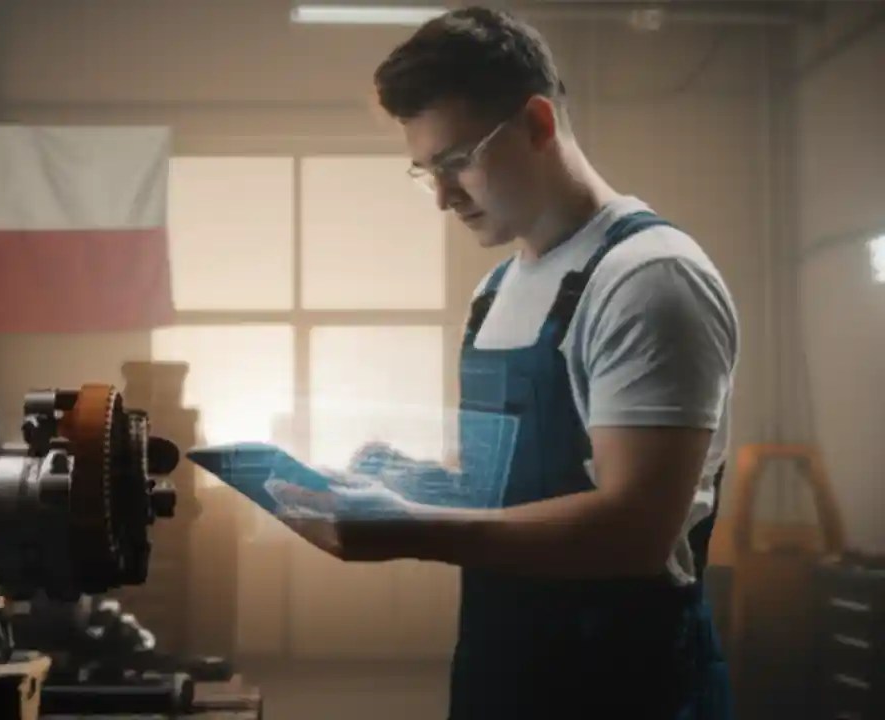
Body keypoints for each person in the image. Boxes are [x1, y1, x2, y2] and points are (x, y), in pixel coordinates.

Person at [270, 6, 739, 719]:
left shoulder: (648, 278)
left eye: (457, 161)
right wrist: (412, 482)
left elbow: (636, 530)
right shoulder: (497, 292)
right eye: (425, 171)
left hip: (624, 682)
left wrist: (410, 529)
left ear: (538, 124)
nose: (442, 197)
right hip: (504, 665)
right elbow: (511, 492)